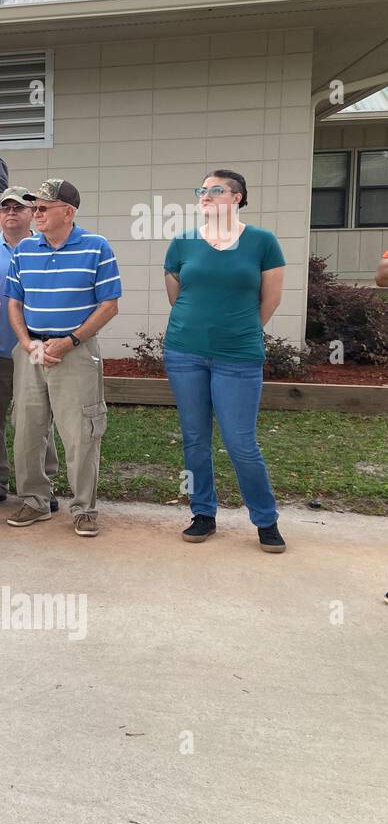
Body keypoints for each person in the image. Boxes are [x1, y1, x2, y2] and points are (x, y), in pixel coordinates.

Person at [163, 170, 287, 553]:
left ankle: (265, 518)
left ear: (237, 197)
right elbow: (177, 294)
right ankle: (203, 513)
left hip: (239, 355)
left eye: (215, 190)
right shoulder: (182, 242)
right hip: (184, 352)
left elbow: (270, 299)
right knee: (195, 438)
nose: (205, 195)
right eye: (201, 190)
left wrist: (239, 331)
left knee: (240, 442)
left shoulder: (263, 242)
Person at [4, 179, 121, 537]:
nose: (34, 214)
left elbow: (109, 305)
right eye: (34, 208)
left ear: (67, 212)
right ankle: (35, 501)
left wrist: (70, 340)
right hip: (32, 353)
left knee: (81, 433)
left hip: (76, 352)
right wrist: (26, 342)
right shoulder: (24, 250)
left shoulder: (96, 247)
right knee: (27, 430)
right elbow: (14, 302)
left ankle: (84, 508)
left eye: (42, 208)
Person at [0, 187, 60, 511]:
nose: (10, 213)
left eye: (18, 208)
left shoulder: (46, 248)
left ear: (31, 213)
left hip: (34, 349)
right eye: (5, 207)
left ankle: (42, 486)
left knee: (37, 421)